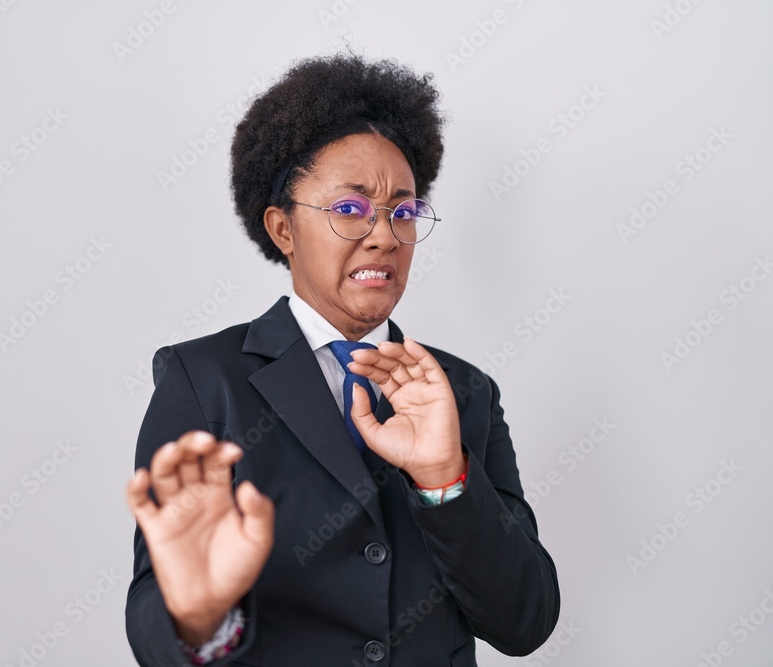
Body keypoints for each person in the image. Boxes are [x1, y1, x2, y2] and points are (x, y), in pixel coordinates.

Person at [125, 53, 560, 666]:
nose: (384, 236)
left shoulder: (465, 390)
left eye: (403, 211)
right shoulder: (203, 380)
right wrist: (196, 612)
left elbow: (525, 622)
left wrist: (445, 480)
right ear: (283, 229)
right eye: (350, 209)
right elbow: (152, 628)